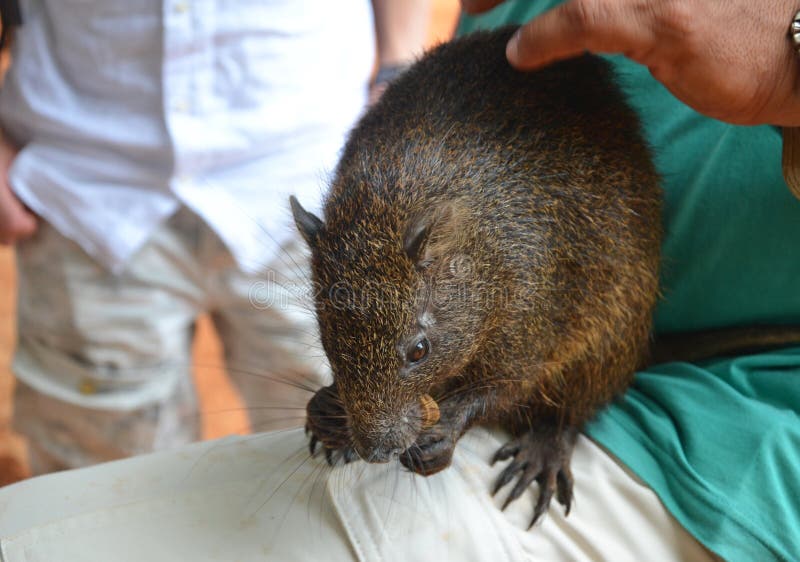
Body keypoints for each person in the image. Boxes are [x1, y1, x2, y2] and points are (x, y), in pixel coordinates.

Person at [1, 0, 799, 560]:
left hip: (676, 391)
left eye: (413, 352)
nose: (378, 430)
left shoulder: (480, 273)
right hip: (86, 174)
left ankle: (558, 427)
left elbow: (522, 349)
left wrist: (454, 414)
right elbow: (377, 347)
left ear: (440, 261)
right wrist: (368, 390)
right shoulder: (370, 250)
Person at [0, 0, 430, 475]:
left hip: (321, 177)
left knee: (346, 470)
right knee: (94, 481)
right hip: (83, 184)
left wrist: (400, 71)